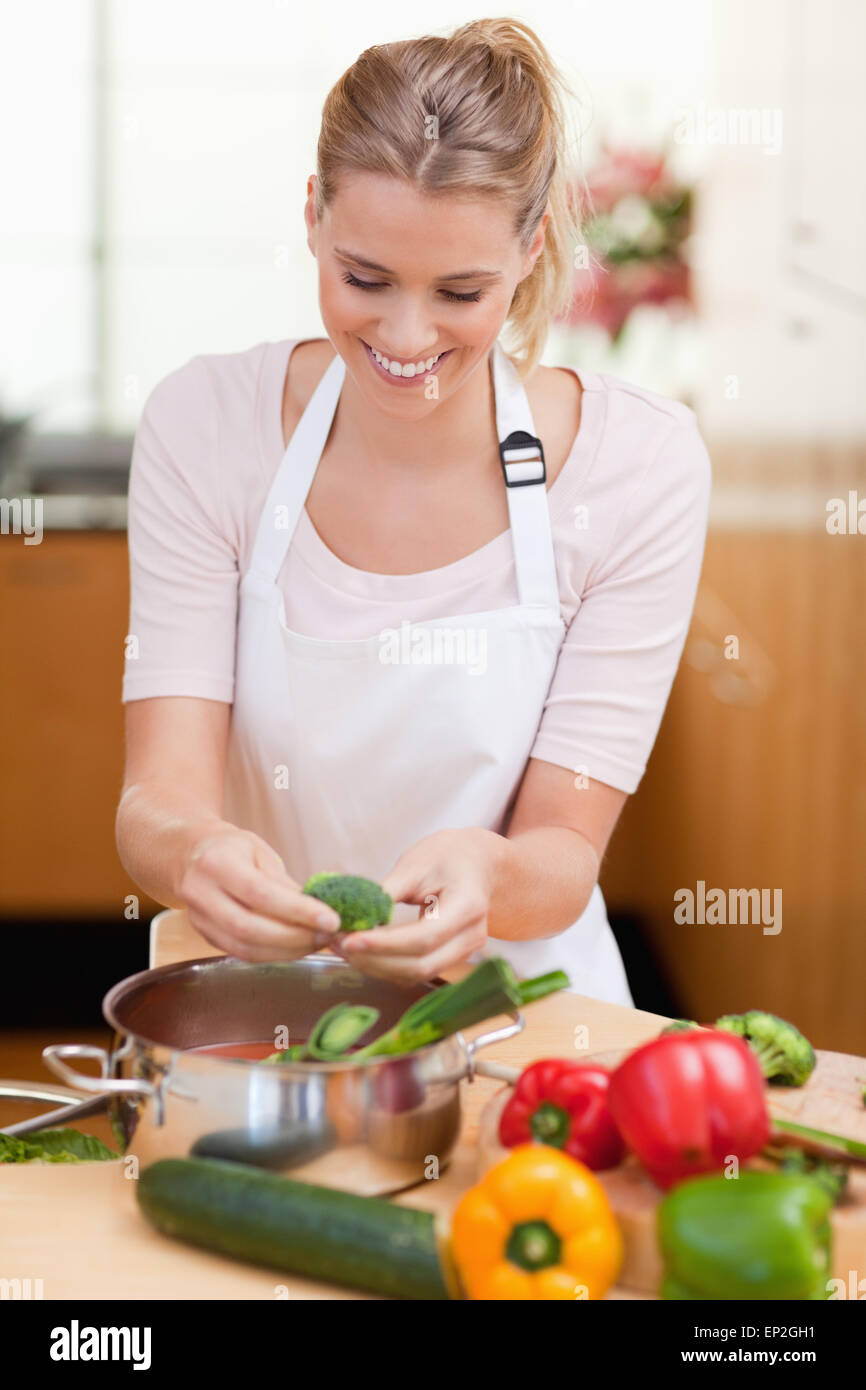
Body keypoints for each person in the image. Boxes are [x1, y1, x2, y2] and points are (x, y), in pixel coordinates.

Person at [116, 18, 711, 1007]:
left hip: (525, 1019)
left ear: (531, 248)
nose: (403, 334)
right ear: (312, 215)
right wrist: (195, 853)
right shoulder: (204, 426)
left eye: (459, 291)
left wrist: (490, 876)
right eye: (364, 277)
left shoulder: (636, 467)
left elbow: (561, 848)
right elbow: (155, 798)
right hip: (268, 1007)